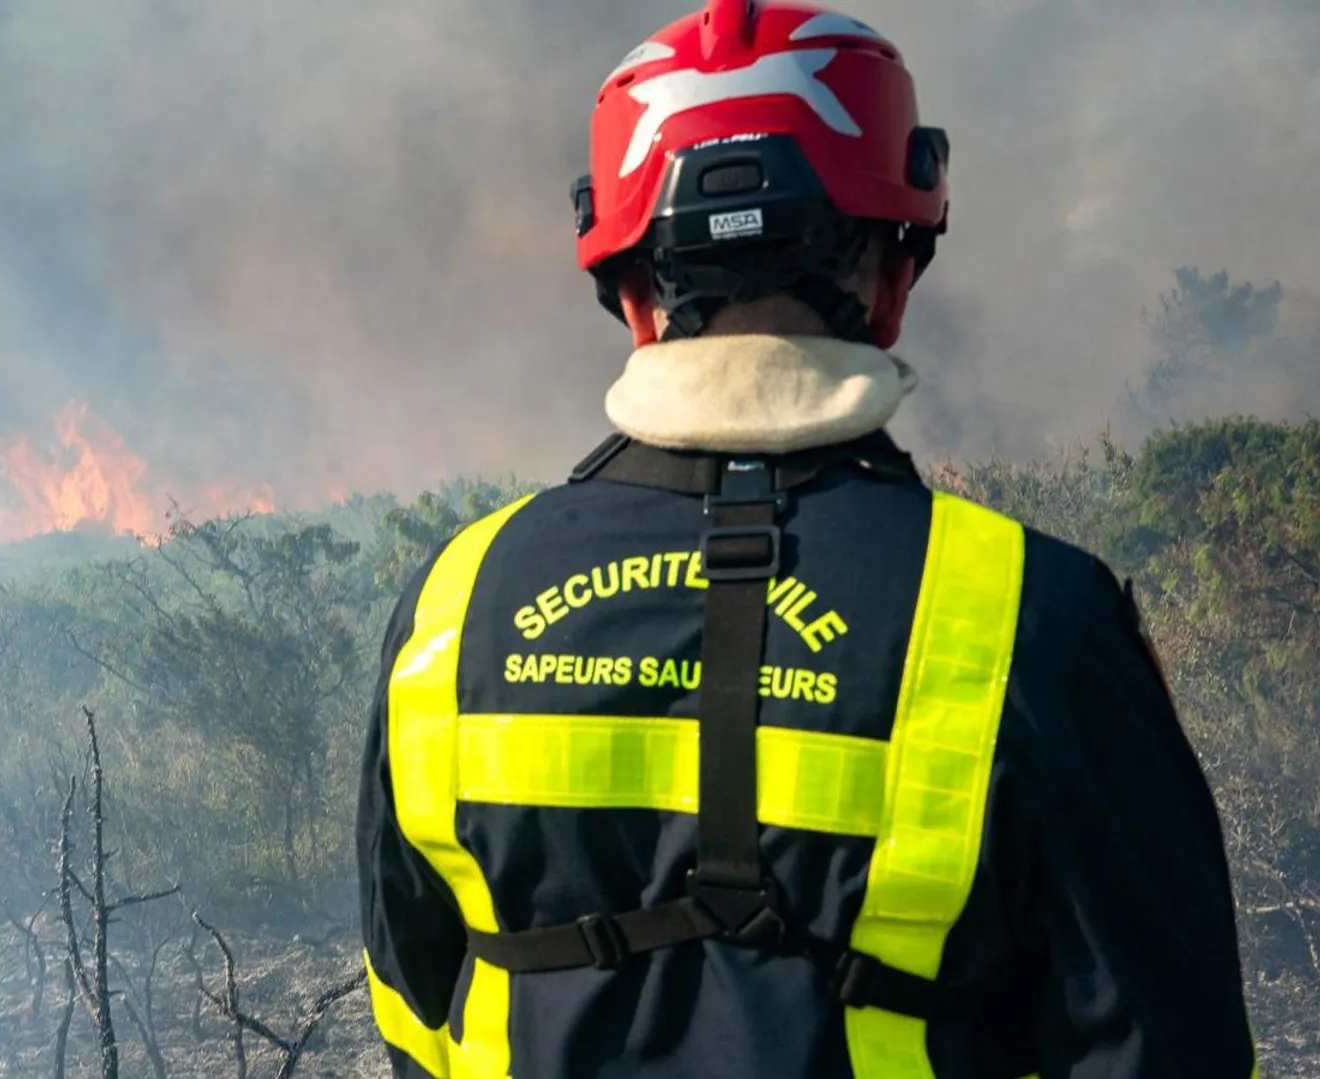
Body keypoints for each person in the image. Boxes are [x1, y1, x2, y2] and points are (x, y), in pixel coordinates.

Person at [354, 2, 1259, 1077]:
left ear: (633, 295)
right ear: (892, 281)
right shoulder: (1038, 619)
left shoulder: (451, 609)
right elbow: (1169, 1043)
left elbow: (418, 1004)